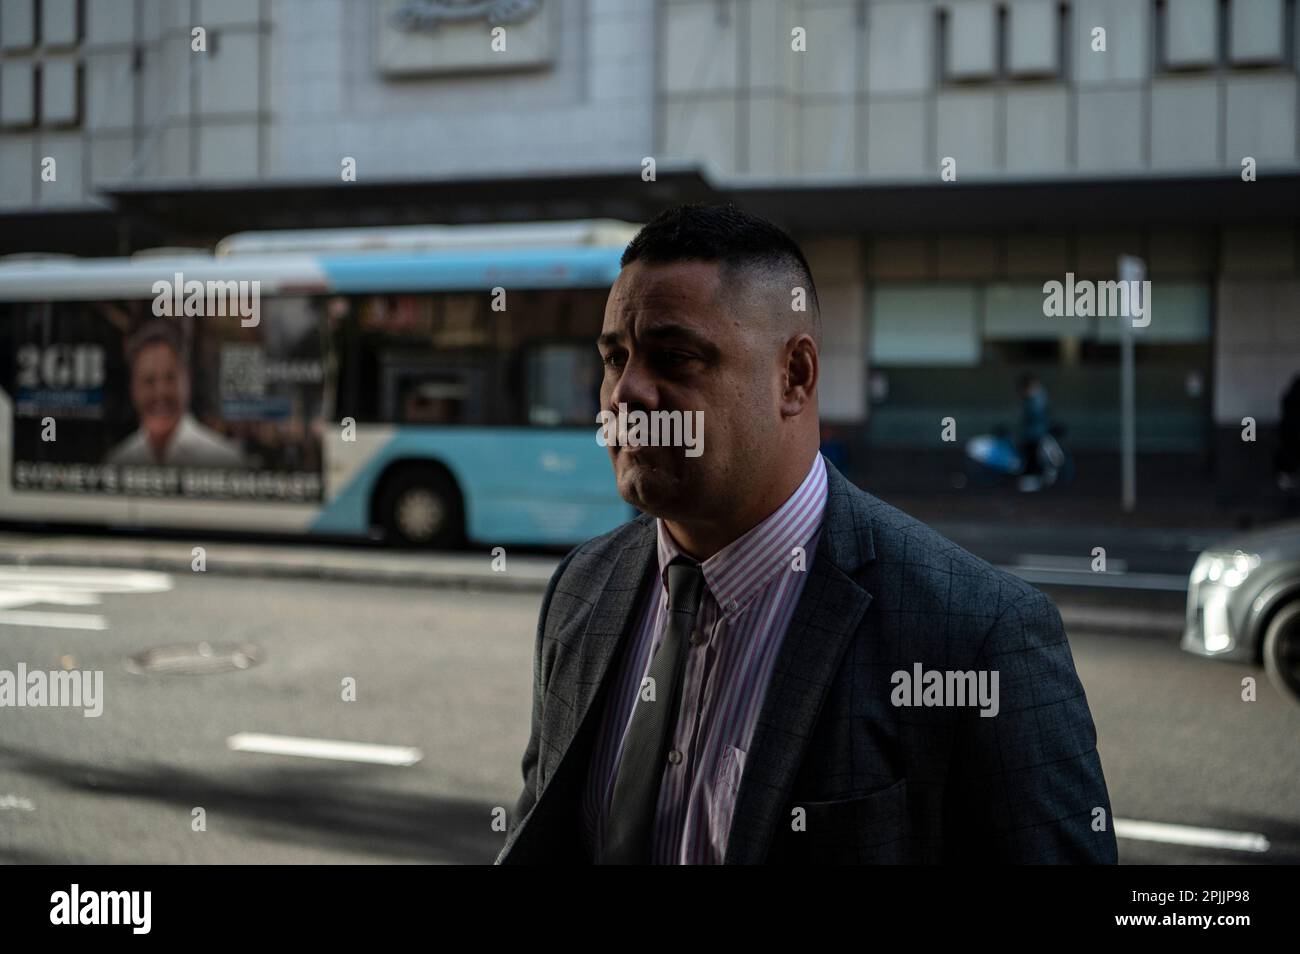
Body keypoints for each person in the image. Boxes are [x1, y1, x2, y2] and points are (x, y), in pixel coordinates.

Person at [495, 204, 1115, 865]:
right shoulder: (581, 590)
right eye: (615, 357)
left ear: (794, 376)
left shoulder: (978, 635)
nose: (626, 394)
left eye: (674, 357)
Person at [106, 320, 244, 468]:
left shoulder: (225, 459)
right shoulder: (117, 461)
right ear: (133, 387)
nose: (161, 392)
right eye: (149, 381)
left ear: (187, 380)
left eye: (170, 378)